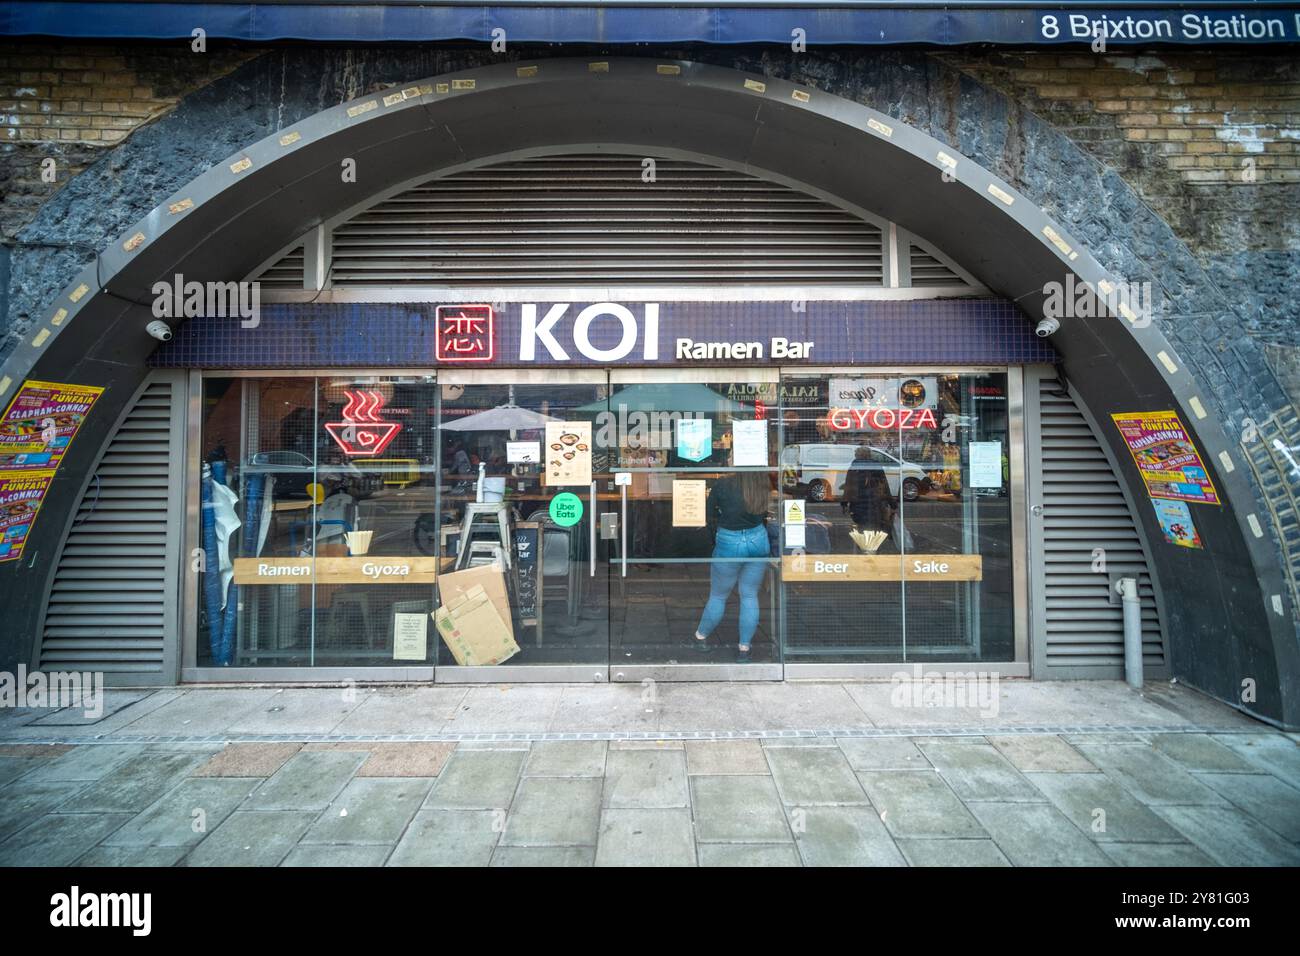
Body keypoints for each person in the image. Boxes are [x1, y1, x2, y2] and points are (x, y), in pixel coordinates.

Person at [693, 466, 771, 663]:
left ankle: (701, 637)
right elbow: (764, 514)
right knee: (750, 595)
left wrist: (714, 539)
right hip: (758, 538)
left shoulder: (723, 484)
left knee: (718, 596)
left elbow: (708, 515)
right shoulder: (761, 482)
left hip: (729, 541)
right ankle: (744, 648)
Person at [844, 445, 894, 534]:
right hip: (874, 505)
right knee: (875, 530)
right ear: (869, 455)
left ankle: (863, 545)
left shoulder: (853, 469)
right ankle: (873, 546)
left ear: (857, 456)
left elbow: (848, 488)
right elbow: (884, 487)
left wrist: (844, 504)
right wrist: (892, 504)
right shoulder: (876, 467)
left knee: (862, 530)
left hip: (857, 506)